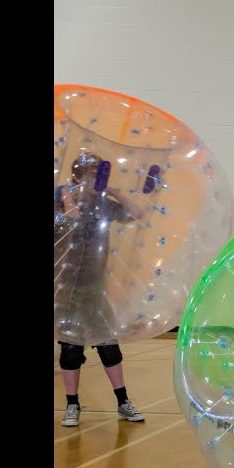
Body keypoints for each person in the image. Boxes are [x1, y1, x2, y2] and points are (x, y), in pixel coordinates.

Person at [56, 152, 146, 427]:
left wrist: (114, 190)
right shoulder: (61, 198)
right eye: (90, 174)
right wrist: (71, 193)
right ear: (78, 177)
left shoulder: (105, 205)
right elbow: (70, 221)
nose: (96, 179)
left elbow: (136, 213)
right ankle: (72, 406)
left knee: (107, 344)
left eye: (99, 174)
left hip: (95, 286)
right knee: (71, 347)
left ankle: (123, 402)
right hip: (67, 287)